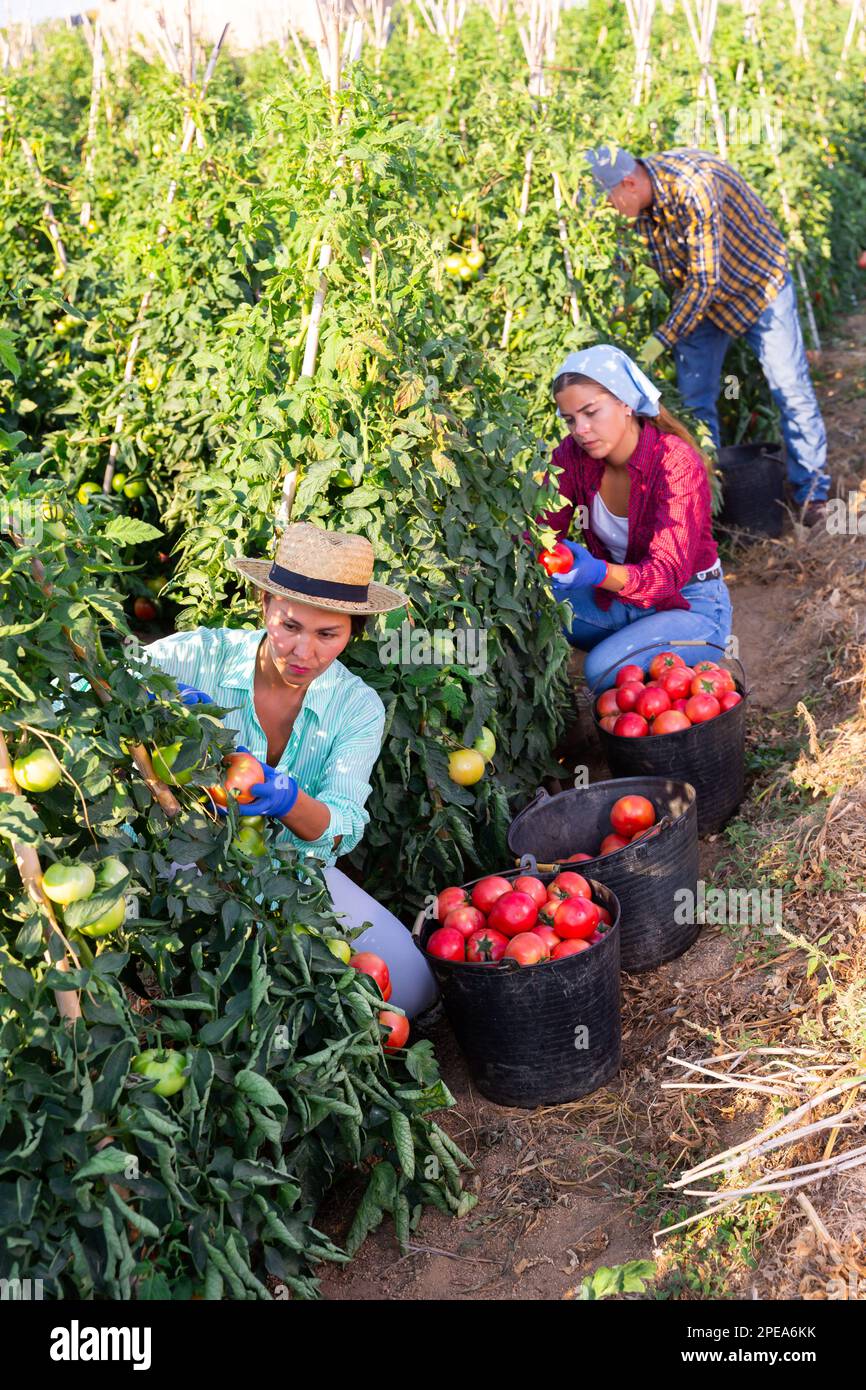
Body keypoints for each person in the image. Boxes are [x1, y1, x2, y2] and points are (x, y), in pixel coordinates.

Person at [143, 521, 438, 1017]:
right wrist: (152, 704)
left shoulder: (356, 707)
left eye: (328, 635)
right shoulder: (195, 656)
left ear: (352, 634)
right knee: (232, 987)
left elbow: (343, 825)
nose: (304, 652)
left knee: (414, 989)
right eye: (289, 627)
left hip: (292, 870)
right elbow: (89, 690)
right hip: (185, 855)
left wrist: (287, 798)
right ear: (264, 607)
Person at [584, 145, 830, 525]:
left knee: (790, 389)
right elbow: (652, 273)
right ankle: (710, 507)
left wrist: (658, 342)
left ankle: (812, 494)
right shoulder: (641, 204)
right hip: (700, 305)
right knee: (696, 405)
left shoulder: (695, 187)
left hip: (758, 288)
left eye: (609, 199)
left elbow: (704, 281)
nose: (610, 208)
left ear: (629, 183)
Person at [540, 344, 733, 693]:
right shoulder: (572, 456)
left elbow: (667, 576)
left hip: (691, 602)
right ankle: (635, 647)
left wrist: (598, 572)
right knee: (536, 609)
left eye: (590, 412)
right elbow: (541, 527)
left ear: (625, 403)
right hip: (619, 600)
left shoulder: (674, 463)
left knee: (601, 670)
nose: (580, 429)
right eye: (570, 419)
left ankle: (658, 651)